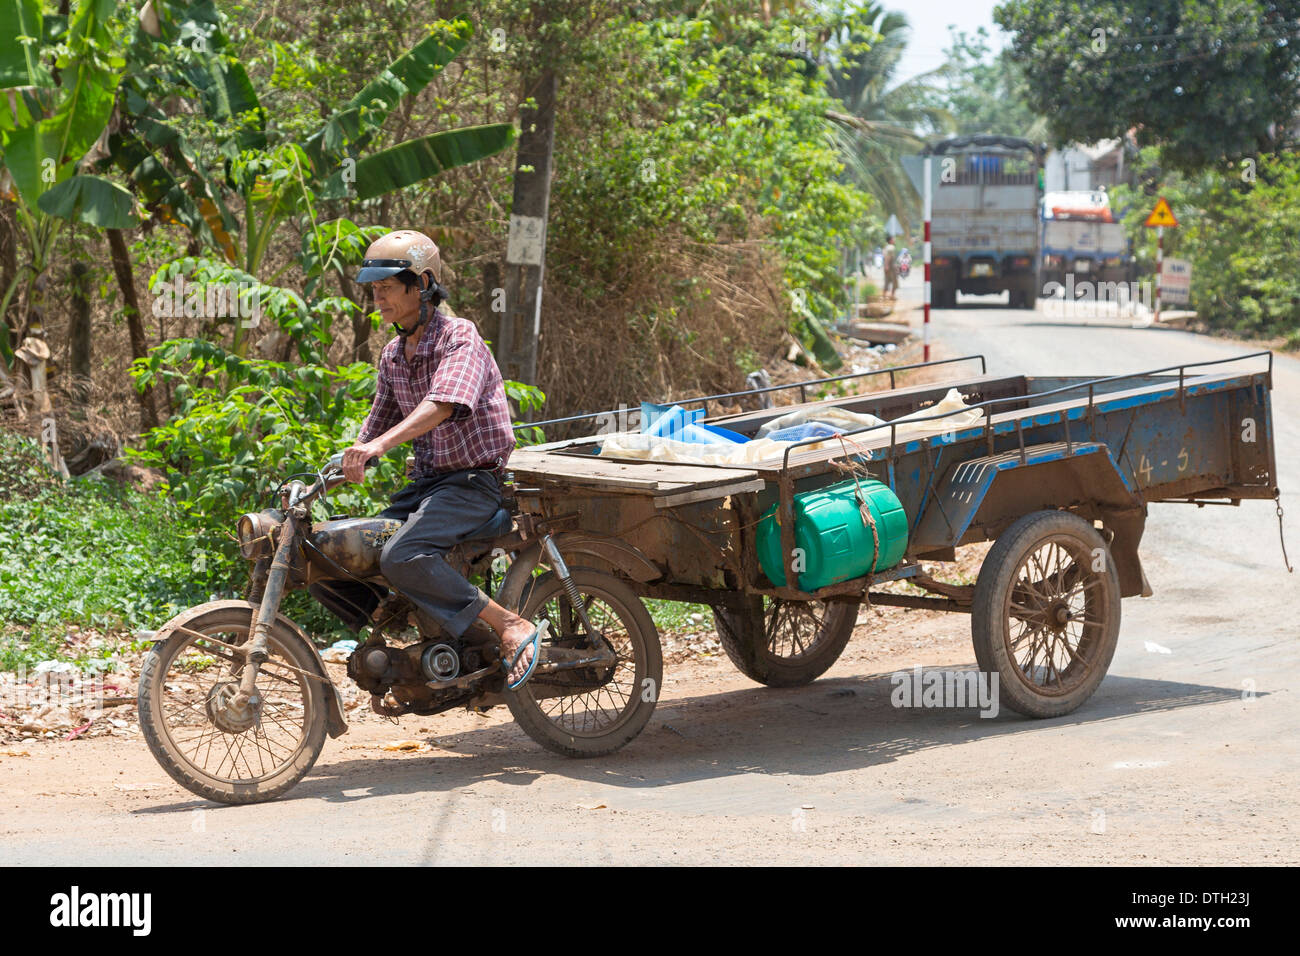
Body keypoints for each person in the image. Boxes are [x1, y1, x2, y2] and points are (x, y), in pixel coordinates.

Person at [317, 229, 544, 689]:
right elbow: (375, 426)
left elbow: (441, 405)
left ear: (420, 285)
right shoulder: (393, 355)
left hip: (478, 483)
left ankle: (510, 625)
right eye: (373, 290)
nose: (376, 299)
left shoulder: (460, 338)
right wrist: (332, 473)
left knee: (404, 554)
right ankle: (413, 632)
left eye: (385, 289)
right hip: (428, 485)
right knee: (343, 548)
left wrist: (378, 447)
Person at [883, 236, 899, 300]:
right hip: (891, 267)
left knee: (887, 282)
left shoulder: (886, 247)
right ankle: (892, 296)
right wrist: (887, 265)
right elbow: (888, 257)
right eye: (893, 239)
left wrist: (885, 266)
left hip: (887, 266)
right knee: (895, 282)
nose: (894, 240)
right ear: (890, 240)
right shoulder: (891, 247)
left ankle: (884, 296)